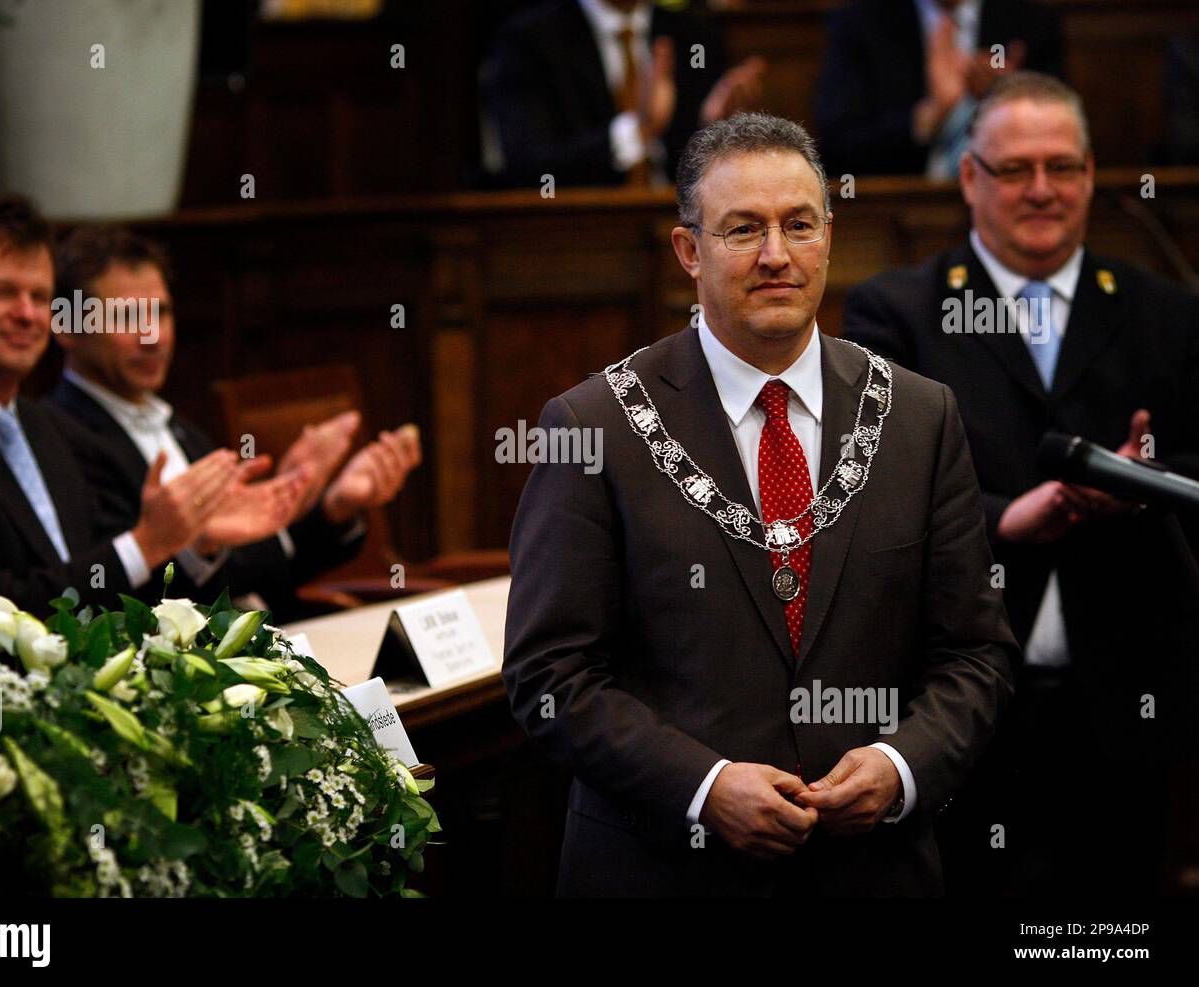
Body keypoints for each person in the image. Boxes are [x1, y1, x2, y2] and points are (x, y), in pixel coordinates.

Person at [503, 112, 1017, 896]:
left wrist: (900, 762)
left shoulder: (920, 415)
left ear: (829, 238)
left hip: (871, 875)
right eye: (743, 229)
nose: (776, 256)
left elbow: (975, 654)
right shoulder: (592, 424)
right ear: (689, 251)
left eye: (798, 225)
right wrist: (704, 788)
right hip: (665, 872)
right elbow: (551, 675)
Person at [843, 71, 1199, 894]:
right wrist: (1005, 518)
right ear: (969, 177)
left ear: (1089, 172)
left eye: (1063, 167)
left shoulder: (1165, 312)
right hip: (956, 704)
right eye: (1014, 169)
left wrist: (1144, 482)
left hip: (1126, 699)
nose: (1043, 190)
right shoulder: (895, 315)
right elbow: (868, 492)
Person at [0, 195, 292, 640]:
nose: (27, 314)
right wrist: (145, 543)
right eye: (1, 292)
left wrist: (193, 540)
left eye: (40, 297)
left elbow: (97, 586)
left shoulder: (49, 430)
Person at [46, 225, 423, 619]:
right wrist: (201, 545)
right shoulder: (59, 439)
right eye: (127, 317)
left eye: (161, 312)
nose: (153, 336)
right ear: (69, 327)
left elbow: (258, 573)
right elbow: (118, 600)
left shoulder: (177, 427)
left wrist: (333, 506)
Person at [483, 0, 766, 187]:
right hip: (573, 233)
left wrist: (715, 129)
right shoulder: (530, 38)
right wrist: (637, 130)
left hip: (677, 228)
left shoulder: (693, 34)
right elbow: (528, 166)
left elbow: (691, 165)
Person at [815, 0, 1063, 177]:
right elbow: (836, 150)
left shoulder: (1033, 23)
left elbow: (1064, 138)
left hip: (1006, 198)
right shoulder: (858, 24)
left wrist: (1014, 102)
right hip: (903, 205)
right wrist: (927, 118)